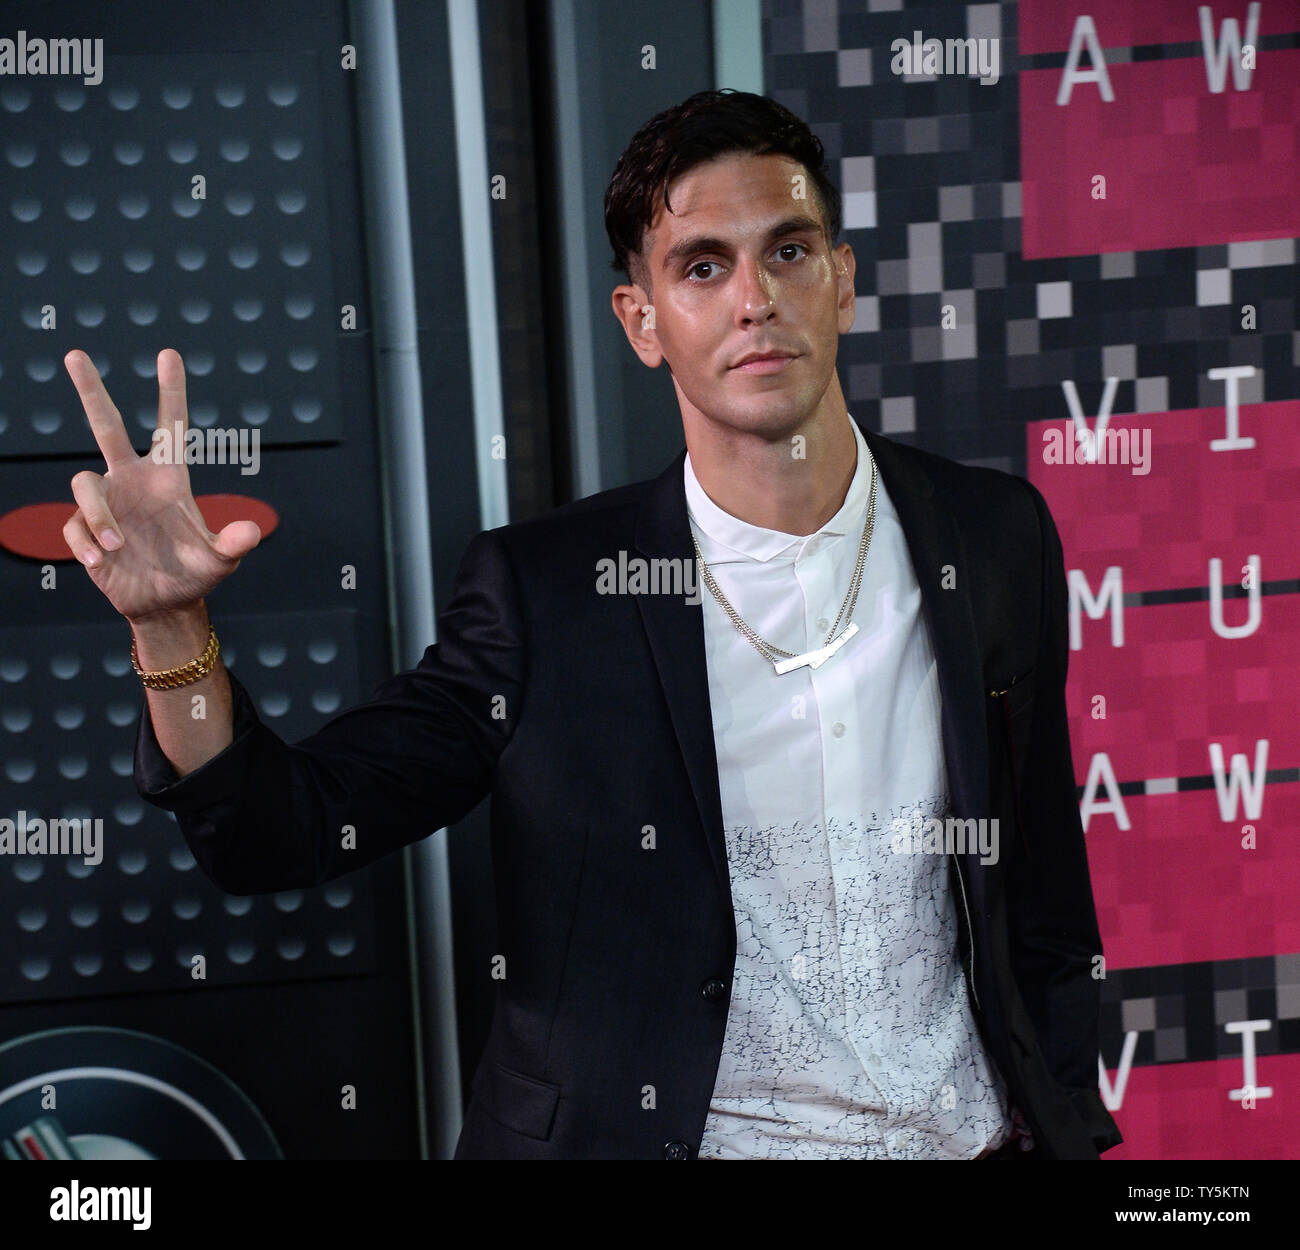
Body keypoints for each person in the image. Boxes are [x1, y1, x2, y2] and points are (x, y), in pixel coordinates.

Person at [61, 89, 1121, 1161]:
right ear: (642, 321)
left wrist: (1068, 1116)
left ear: (841, 280)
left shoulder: (991, 535)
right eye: (702, 266)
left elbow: (1038, 881)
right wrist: (169, 626)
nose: (754, 298)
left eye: (789, 250)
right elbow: (279, 826)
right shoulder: (549, 593)